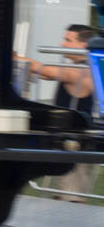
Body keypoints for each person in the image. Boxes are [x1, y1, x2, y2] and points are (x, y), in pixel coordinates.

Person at [16, 24, 97, 202]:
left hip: (77, 145)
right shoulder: (78, 68)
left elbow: (44, 70)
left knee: (71, 200)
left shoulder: (83, 70)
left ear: (83, 45)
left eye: (68, 40)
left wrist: (12, 57)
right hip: (68, 142)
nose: (62, 44)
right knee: (61, 196)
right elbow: (45, 74)